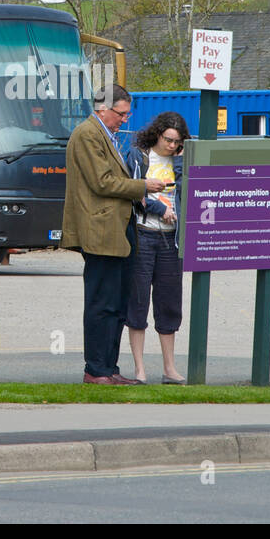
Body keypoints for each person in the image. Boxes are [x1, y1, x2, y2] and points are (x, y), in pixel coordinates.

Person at [61, 85, 165, 385]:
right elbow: (103, 183)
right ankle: (95, 370)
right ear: (102, 108)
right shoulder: (87, 134)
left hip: (118, 231)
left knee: (118, 304)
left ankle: (109, 368)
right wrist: (143, 186)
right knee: (102, 303)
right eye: (121, 113)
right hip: (101, 232)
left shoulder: (105, 135)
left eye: (126, 113)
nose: (124, 119)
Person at [127, 112, 190, 384]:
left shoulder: (179, 160)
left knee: (169, 303)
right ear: (157, 134)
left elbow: (188, 190)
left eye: (177, 142)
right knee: (138, 301)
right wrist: (157, 208)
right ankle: (140, 369)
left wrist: (179, 160)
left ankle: (169, 367)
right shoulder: (138, 156)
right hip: (144, 234)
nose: (172, 146)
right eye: (168, 140)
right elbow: (132, 192)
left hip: (171, 239)